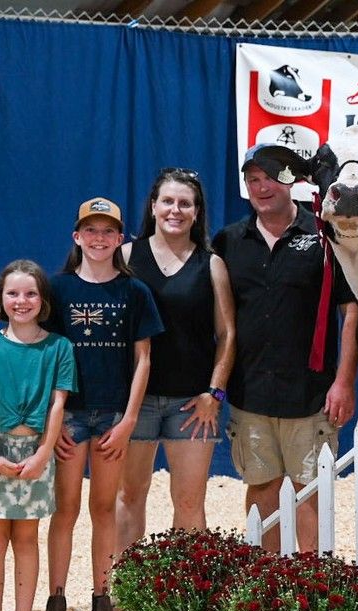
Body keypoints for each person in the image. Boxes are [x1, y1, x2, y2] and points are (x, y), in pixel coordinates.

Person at [213, 145, 358, 553]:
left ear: (291, 181)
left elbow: (351, 311)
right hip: (251, 393)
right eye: (253, 180)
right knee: (261, 488)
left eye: (272, 177)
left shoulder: (323, 237)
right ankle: (266, 590)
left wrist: (344, 381)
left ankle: (307, 590)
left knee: (308, 492)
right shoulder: (229, 241)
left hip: (310, 392)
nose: (262, 187)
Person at [40, 197, 163, 611]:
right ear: (77, 237)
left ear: (120, 239)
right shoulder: (57, 290)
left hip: (112, 414)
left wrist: (130, 418)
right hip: (70, 414)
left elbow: (143, 360)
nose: (98, 238)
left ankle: (101, 600)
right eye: (90, 230)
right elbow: (46, 356)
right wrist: (50, 424)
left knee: (103, 507)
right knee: (65, 507)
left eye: (107, 231)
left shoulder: (134, 292)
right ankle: (56, 602)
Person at [117, 169, 235, 550]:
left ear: (197, 212)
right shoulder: (126, 257)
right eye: (168, 201)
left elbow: (228, 334)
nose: (176, 209)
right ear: (153, 206)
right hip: (135, 402)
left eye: (186, 203)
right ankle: (121, 594)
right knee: (129, 496)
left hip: (191, 404)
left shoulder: (211, 264)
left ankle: (184, 601)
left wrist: (214, 394)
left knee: (188, 502)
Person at [0, 260, 76, 611]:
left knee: (28, 537)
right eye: (13, 293)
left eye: (30, 293)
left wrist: (44, 453)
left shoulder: (59, 348)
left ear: (43, 299)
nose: (21, 300)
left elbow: (57, 404)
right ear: (1, 298)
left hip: (36, 453)